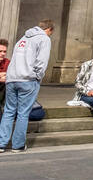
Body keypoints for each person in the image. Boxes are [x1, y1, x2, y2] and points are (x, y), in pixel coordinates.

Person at [0, 21, 54, 153]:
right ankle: (17, 145)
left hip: (12, 78)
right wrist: (37, 76)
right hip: (27, 79)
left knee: (8, 111)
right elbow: (42, 61)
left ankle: (1, 144)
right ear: (49, 30)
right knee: (23, 113)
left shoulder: (22, 39)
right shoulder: (44, 39)